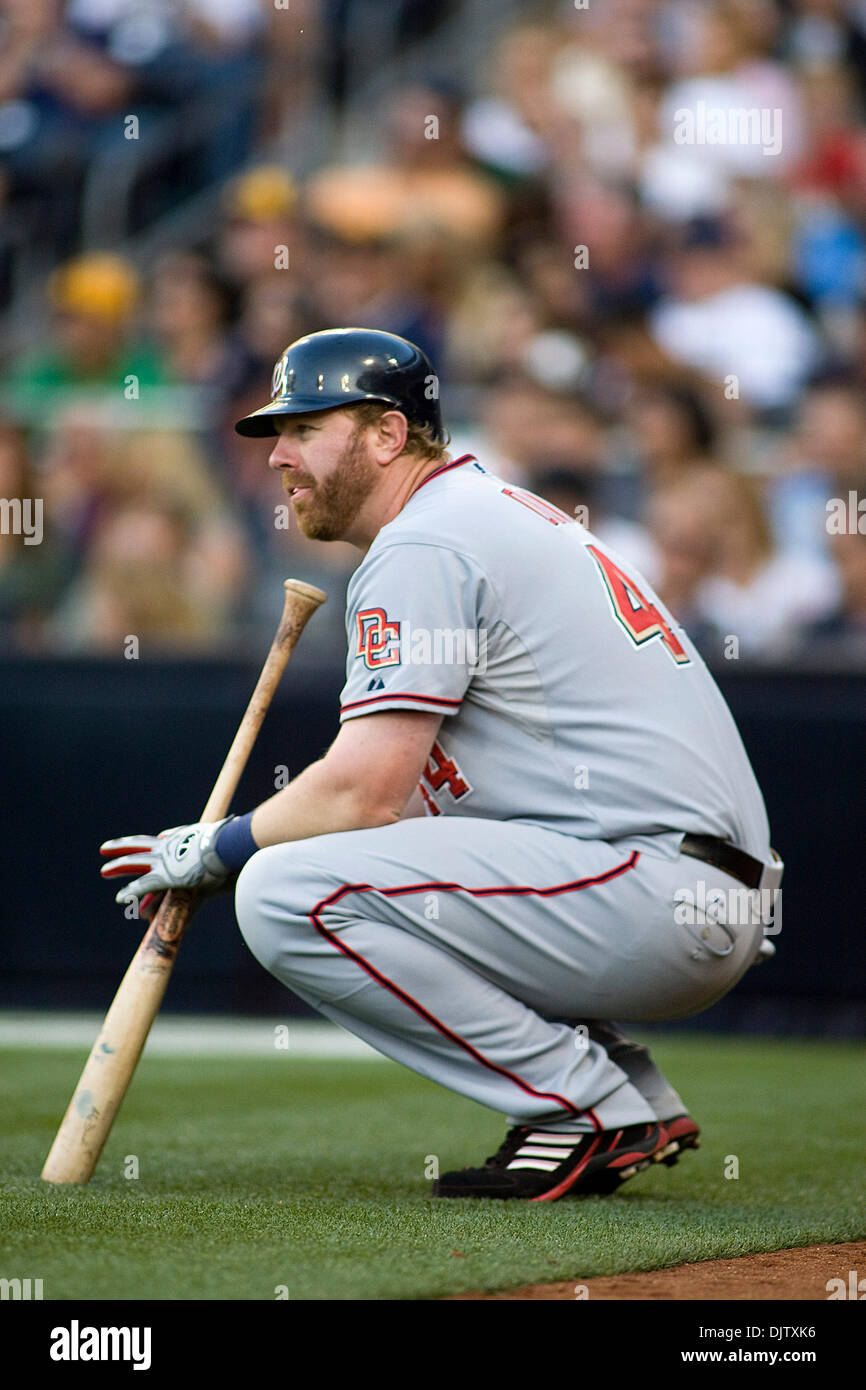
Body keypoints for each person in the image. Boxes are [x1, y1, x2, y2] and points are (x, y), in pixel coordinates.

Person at [99, 327, 783, 1203]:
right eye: (278, 434)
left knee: (286, 891)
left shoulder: (425, 543)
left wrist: (216, 850)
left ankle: (583, 1106)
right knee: (373, 851)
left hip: (654, 890)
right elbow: (399, 805)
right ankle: (623, 1087)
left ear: (388, 435)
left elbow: (362, 792)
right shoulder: (479, 513)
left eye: (306, 428)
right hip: (680, 884)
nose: (279, 456)